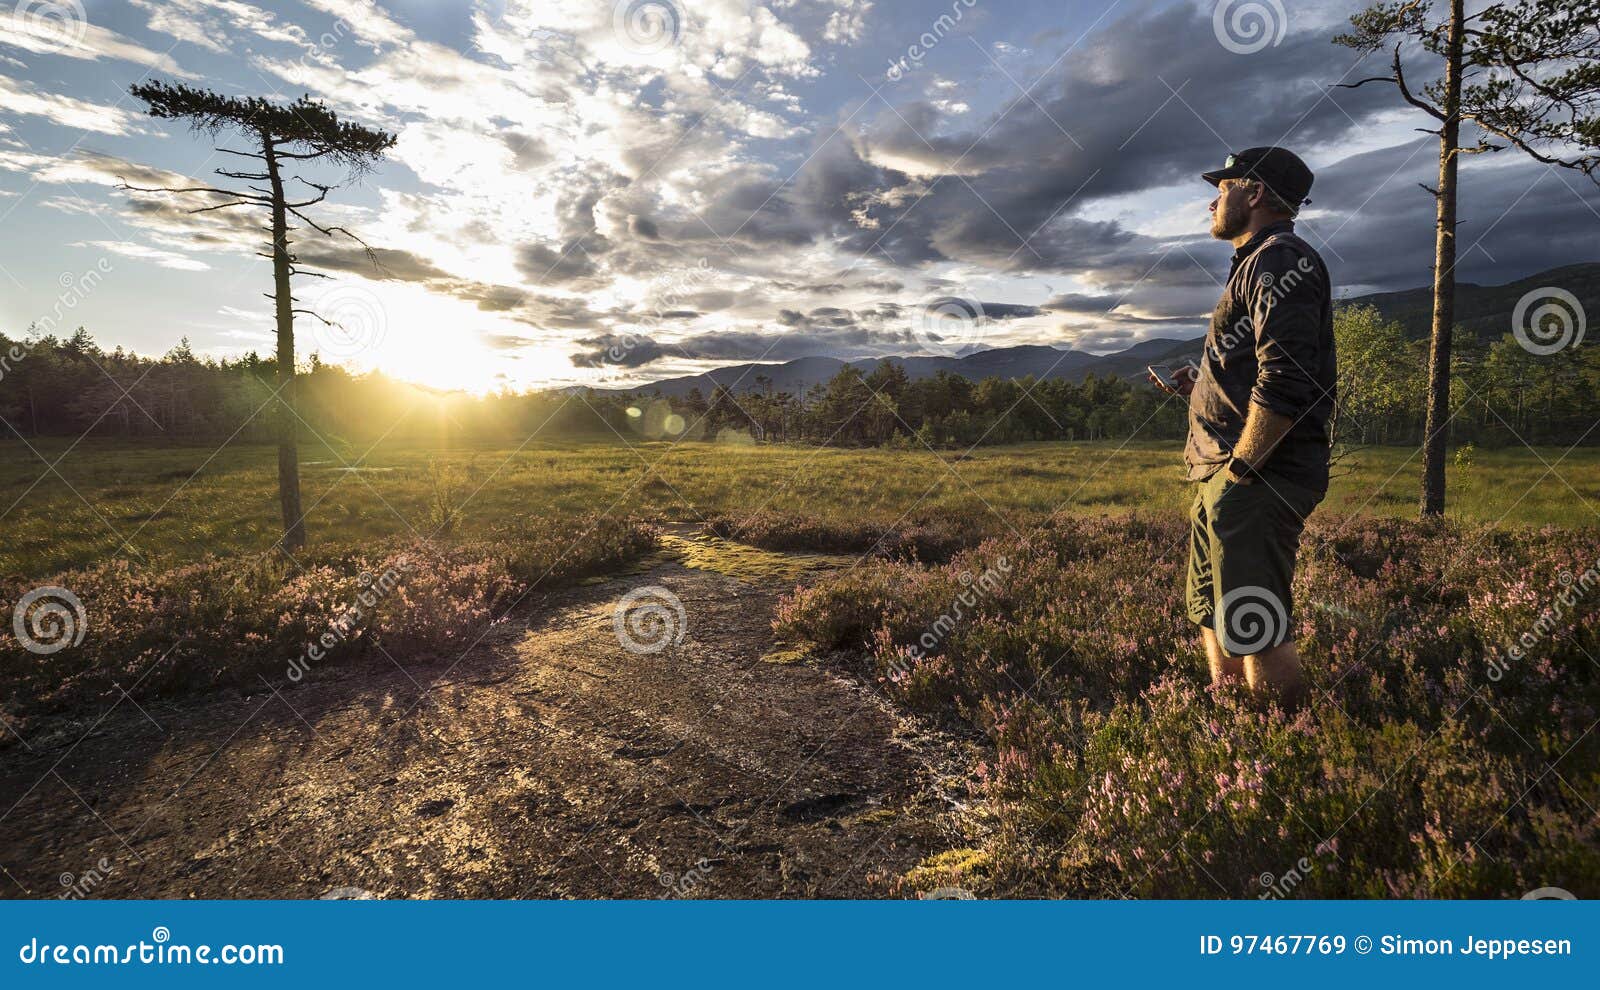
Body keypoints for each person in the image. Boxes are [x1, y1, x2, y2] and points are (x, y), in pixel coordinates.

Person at [1149, 147, 1336, 708]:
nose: (1213, 202)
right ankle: (1237, 729)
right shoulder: (1257, 263)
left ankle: (1284, 744)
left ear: (1254, 193)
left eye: (1223, 188)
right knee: (1213, 609)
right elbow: (1256, 369)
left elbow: (1287, 378)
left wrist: (1243, 470)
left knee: (1257, 623)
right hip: (1225, 471)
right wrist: (1201, 385)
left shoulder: (1279, 261)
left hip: (1255, 476)